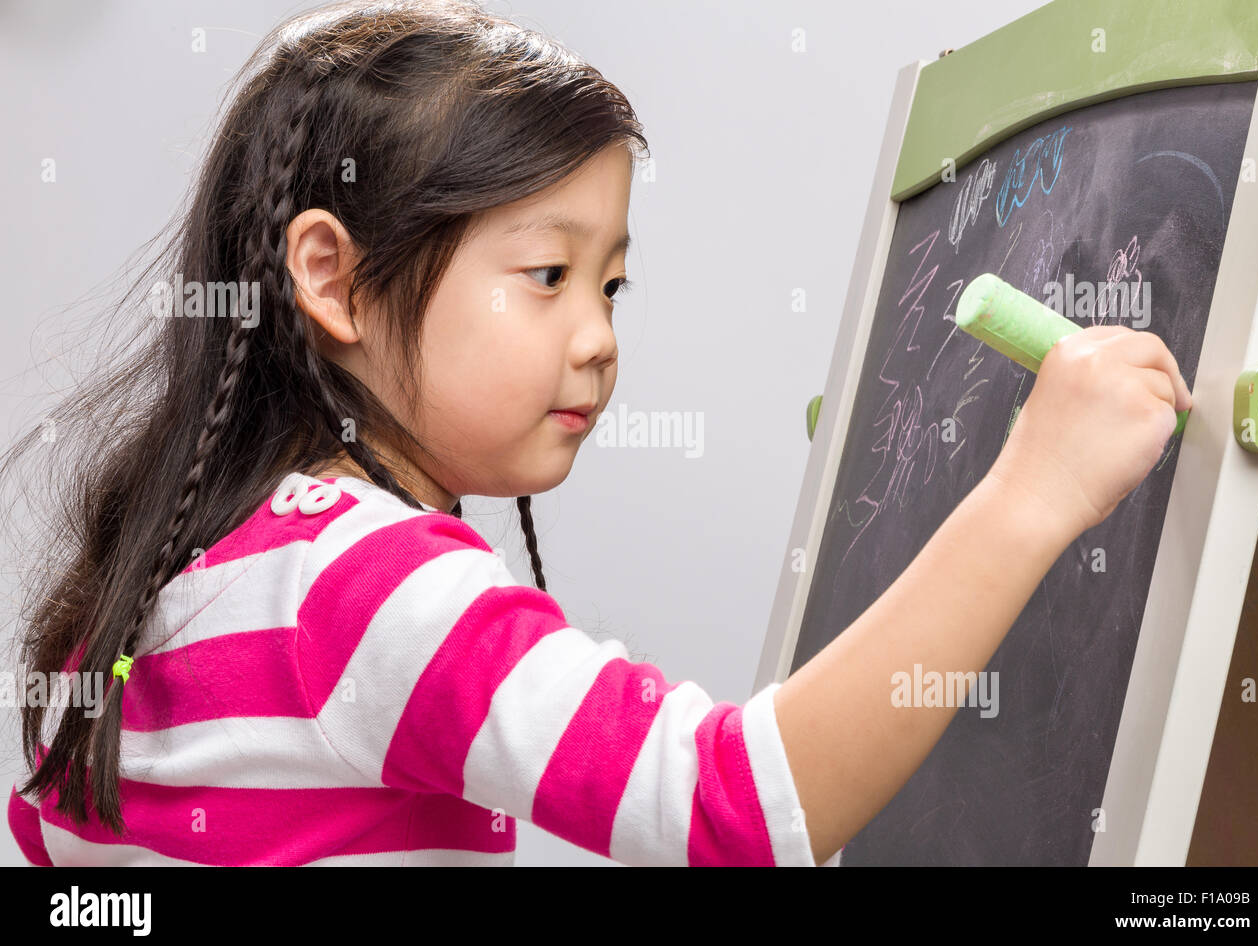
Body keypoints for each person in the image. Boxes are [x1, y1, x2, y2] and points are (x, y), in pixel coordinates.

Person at [4, 0, 1191, 866]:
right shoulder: (379, 589)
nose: (595, 337)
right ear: (337, 278)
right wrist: (1033, 488)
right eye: (547, 272)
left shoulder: (175, 576)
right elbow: (737, 804)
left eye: (609, 284)